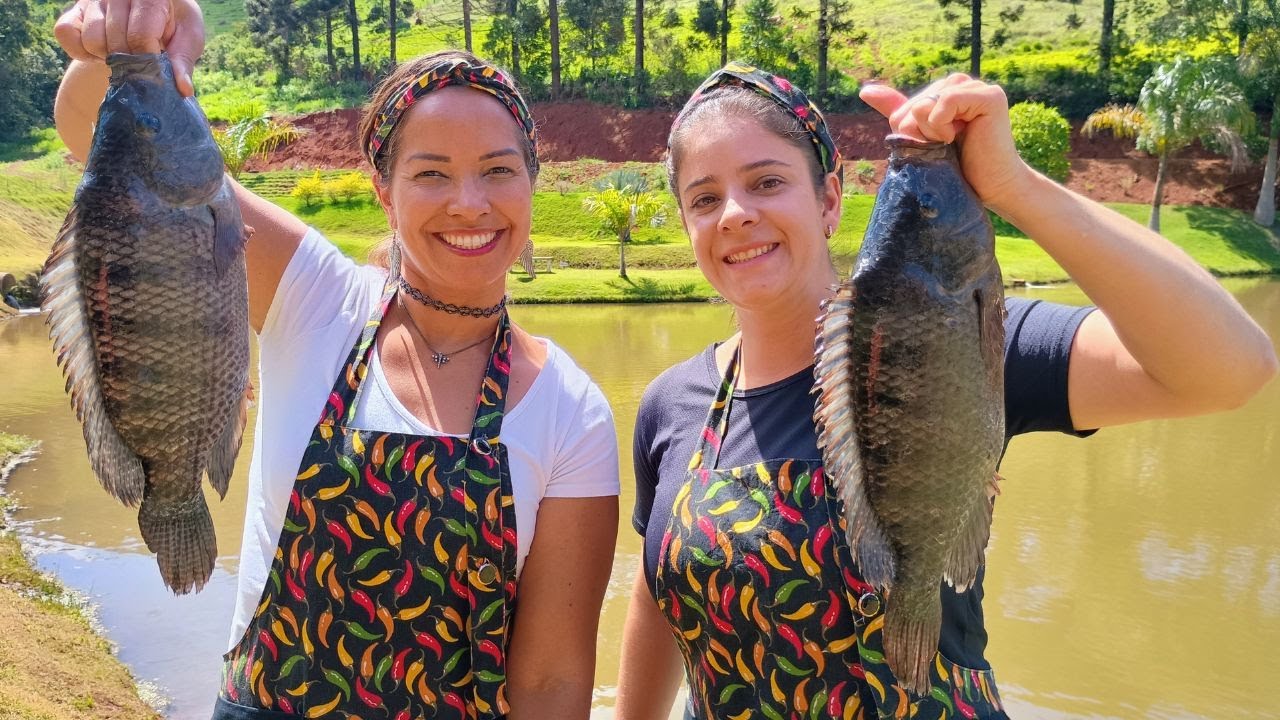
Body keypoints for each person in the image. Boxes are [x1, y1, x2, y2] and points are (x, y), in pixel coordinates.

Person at [615, 63, 1278, 720]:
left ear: (829, 200)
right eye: (704, 198)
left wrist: (1017, 187)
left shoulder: (965, 339)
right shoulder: (672, 403)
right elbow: (656, 591)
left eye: (768, 182)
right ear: (687, 224)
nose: (735, 214)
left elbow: (1234, 369)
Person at [53, 2, 620, 718]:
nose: (469, 203)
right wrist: (137, 44)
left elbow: (551, 684)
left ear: (532, 184)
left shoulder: (573, 411)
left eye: (497, 170)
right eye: (432, 174)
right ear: (384, 190)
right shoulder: (316, 300)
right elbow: (91, 137)